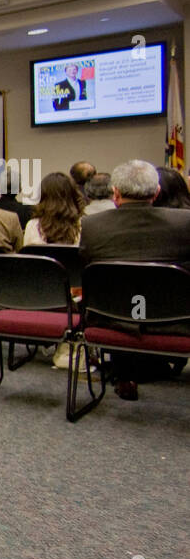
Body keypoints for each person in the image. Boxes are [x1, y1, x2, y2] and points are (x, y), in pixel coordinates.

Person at [79, 159, 190, 400]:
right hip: (175, 320)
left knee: (120, 290)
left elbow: (86, 271)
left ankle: (126, 373)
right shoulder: (185, 223)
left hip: (109, 316)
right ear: (156, 192)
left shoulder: (91, 226)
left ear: (115, 194)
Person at [23, 172, 81, 246]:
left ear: (42, 197)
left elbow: (28, 256)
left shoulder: (32, 226)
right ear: (73, 197)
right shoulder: (84, 227)